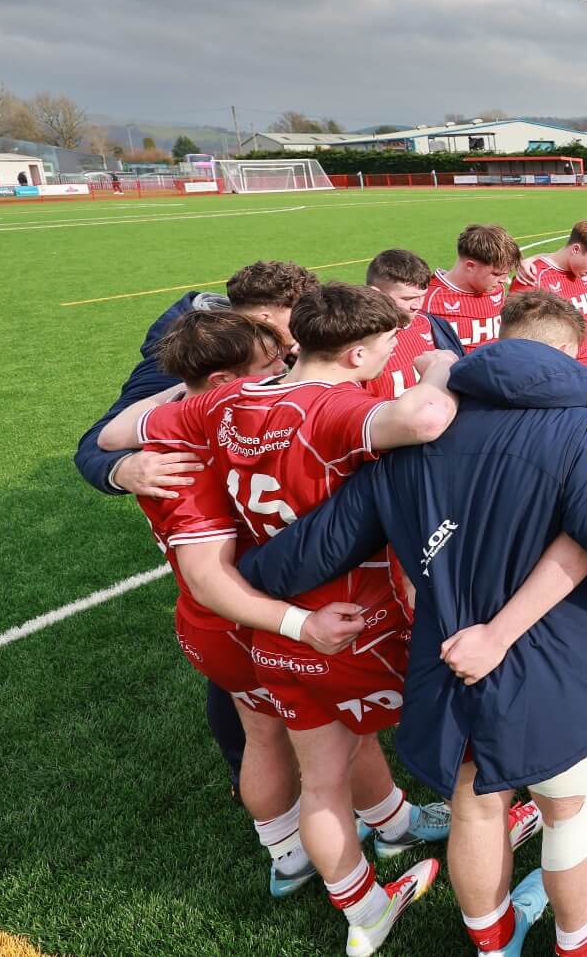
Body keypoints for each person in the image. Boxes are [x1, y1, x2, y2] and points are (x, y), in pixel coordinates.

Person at [240, 292, 587, 957]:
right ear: (565, 353)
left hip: (449, 658)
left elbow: (303, 554)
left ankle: (493, 943)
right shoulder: (580, 432)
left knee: (476, 799)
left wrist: (231, 571)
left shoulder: (415, 437)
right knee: (568, 803)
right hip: (554, 663)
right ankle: (582, 941)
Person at [101, 283, 466, 956]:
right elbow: (424, 416)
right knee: (461, 731)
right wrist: (436, 364)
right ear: (358, 351)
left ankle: (360, 906)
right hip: (347, 619)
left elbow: (114, 433)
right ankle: (504, 850)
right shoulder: (333, 407)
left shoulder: (219, 407)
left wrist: (142, 446)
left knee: (319, 771)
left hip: (262, 628)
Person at [124, 310, 366, 898]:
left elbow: (112, 433)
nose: (283, 370)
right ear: (217, 384)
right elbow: (211, 579)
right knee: (308, 743)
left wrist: (115, 463)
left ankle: (287, 854)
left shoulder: (193, 422)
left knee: (267, 735)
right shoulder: (188, 461)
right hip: (236, 621)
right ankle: (340, 861)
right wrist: (301, 624)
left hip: (214, 623)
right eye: (268, 367)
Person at [75, 258, 321, 788]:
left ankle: (299, 808)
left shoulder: (266, 347)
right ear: (251, 318)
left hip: (253, 530)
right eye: (284, 329)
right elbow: (99, 440)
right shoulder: (185, 359)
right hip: (216, 549)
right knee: (240, 674)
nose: (294, 345)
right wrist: (124, 467)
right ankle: (263, 787)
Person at [511, 220, 587, 394]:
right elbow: (515, 335)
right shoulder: (533, 276)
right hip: (556, 372)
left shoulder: (584, 273)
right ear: (575, 249)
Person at [365, 249, 469, 400]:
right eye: (408, 298)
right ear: (376, 293)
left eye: (422, 296)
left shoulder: (434, 325)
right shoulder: (355, 342)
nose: (418, 306)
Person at [423, 223, 520, 351]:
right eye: (496, 274)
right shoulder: (426, 298)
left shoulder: (495, 288)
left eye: (506, 274)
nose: (503, 280)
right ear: (470, 266)